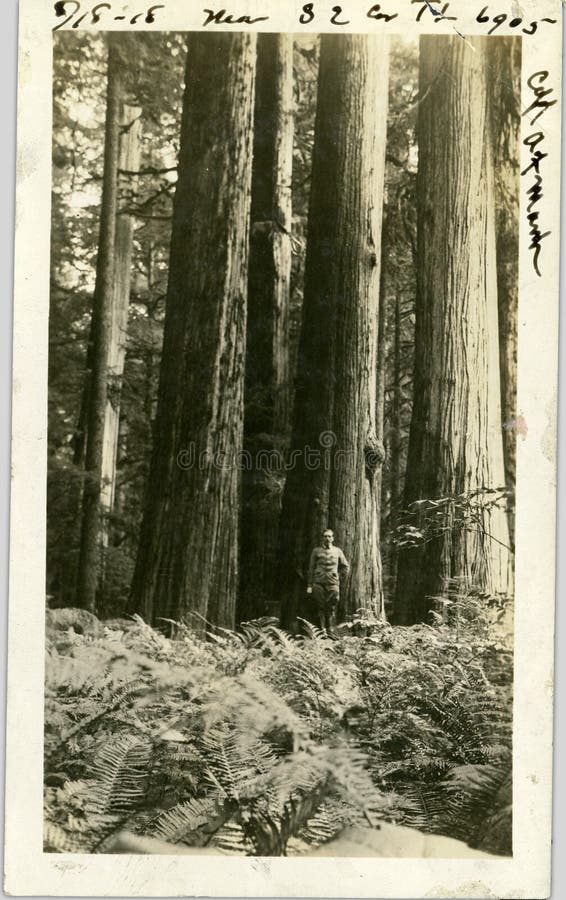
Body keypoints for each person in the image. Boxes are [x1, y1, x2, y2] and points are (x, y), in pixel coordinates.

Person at [306, 529, 350, 634]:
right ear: (322, 538)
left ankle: (330, 628)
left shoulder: (338, 551)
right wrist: (309, 585)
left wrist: (338, 576)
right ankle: (322, 629)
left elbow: (345, 566)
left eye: (329, 536)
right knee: (319, 605)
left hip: (333, 582)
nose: (327, 538)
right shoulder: (316, 551)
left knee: (332, 605)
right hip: (318, 582)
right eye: (325, 536)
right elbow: (311, 568)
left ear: (333, 538)